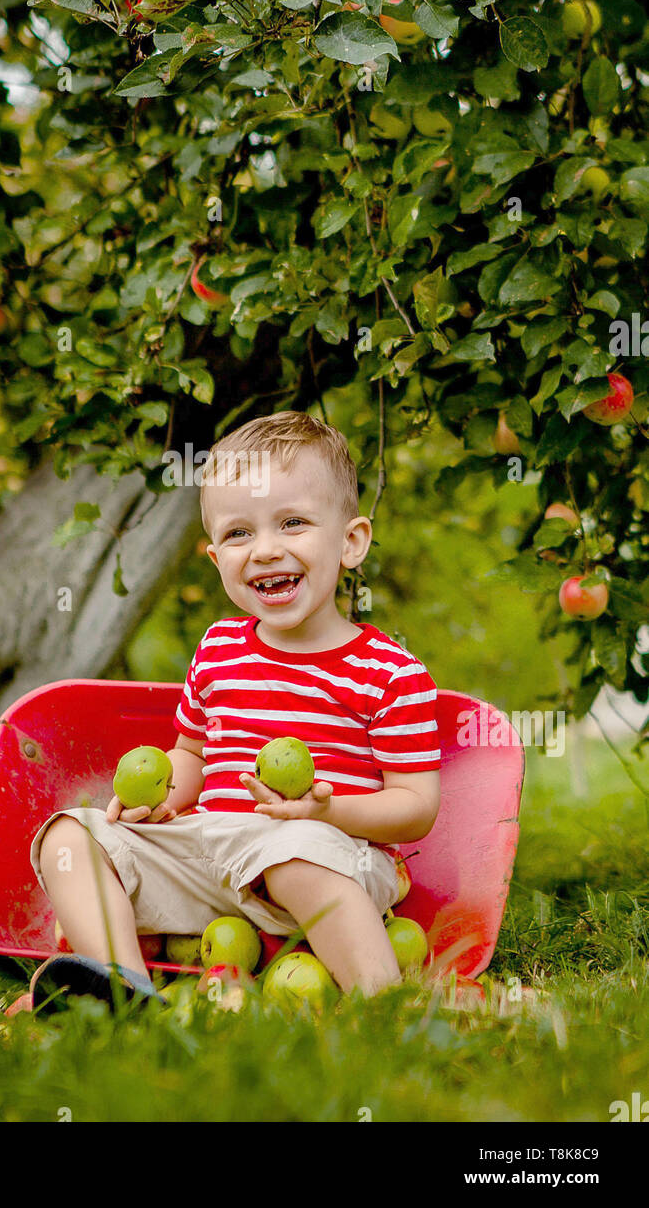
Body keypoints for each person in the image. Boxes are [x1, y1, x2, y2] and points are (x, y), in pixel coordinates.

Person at [28, 410, 440, 1011]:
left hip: (331, 856)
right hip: (213, 852)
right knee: (72, 835)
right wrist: (165, 798)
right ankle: (119, 986)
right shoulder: (218, 650)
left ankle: (383, 1004)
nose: (266, 551)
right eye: (239, 534)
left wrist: (326, 809)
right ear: (216, 556)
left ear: (351, 542)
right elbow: (194, 755)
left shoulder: (389, 673)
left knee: (293, 849)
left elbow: (416, 808)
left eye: (293, 523)